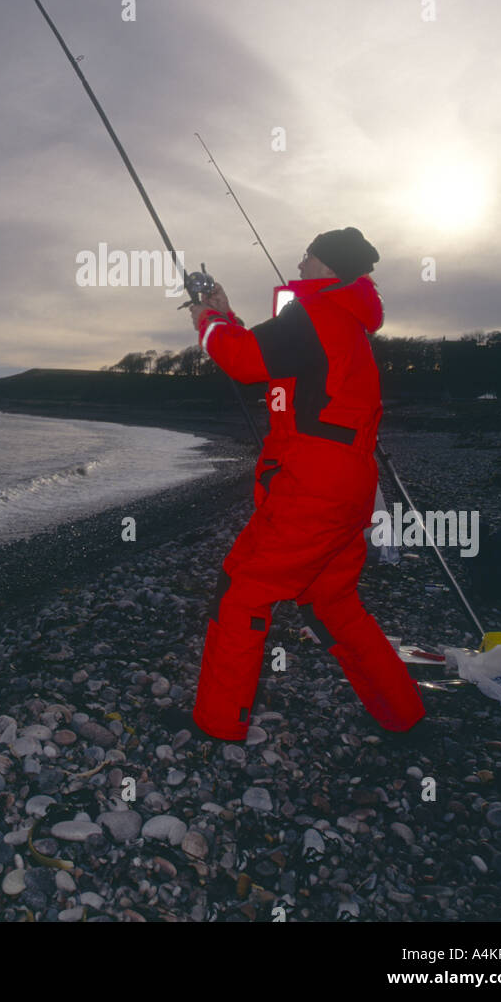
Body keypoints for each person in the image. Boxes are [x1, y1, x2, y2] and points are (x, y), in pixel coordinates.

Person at [186, 227, 426, 742]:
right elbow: (273, 357)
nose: (299, 261)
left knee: (243, 593)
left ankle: (219, 724)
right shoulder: (345, 320)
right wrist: (226, 316)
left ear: (327, 267)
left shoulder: (316, 314)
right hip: (349, 482)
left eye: (308, 256)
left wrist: (206, 321)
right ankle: (402, 712)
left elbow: (244, 361)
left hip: (315, 483)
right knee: (332, 600)